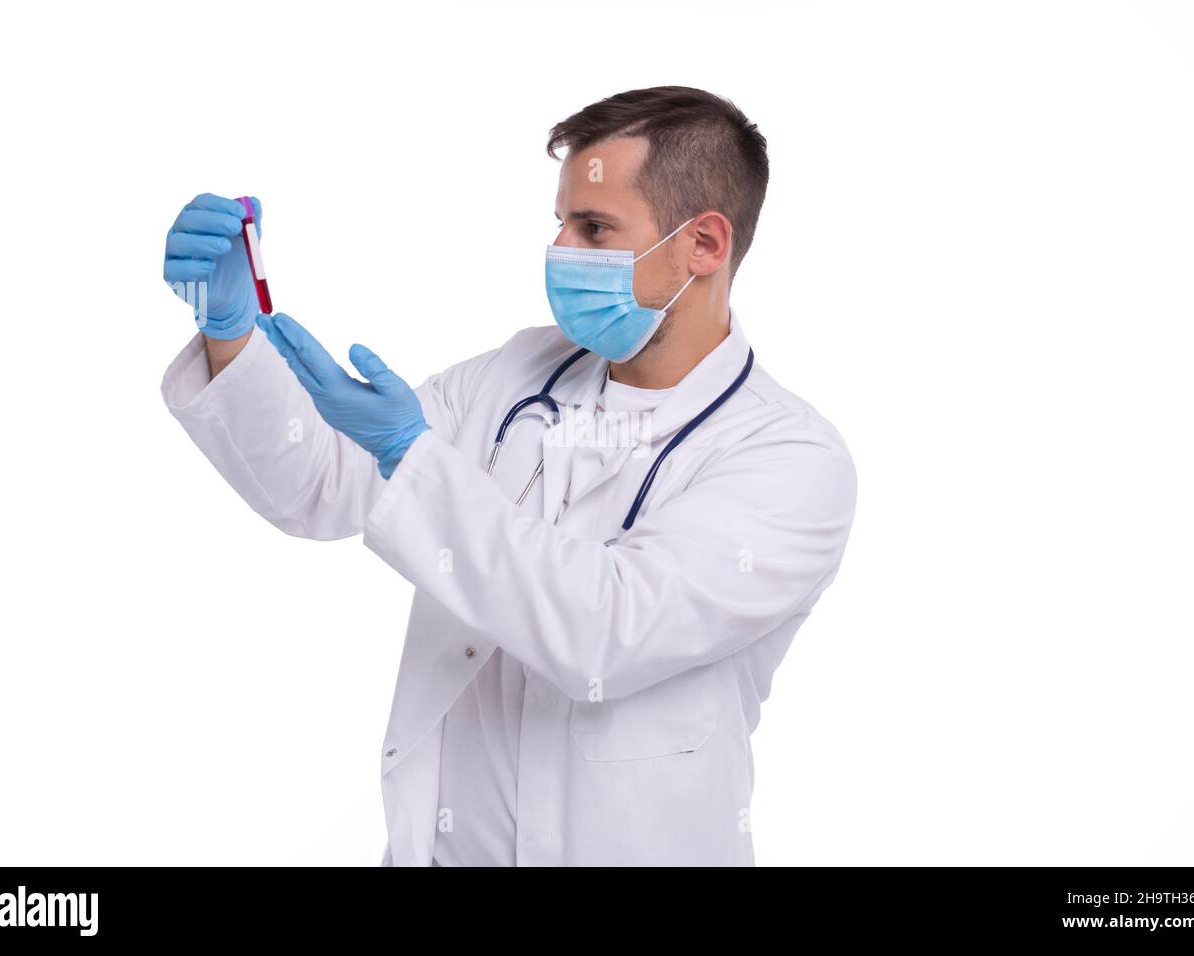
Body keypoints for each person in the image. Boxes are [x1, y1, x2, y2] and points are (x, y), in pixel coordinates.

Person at [160, 86, 857, 866]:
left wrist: (412, 457)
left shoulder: (790, 460)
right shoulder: (516, 375)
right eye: (559, 223)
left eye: (592, 227)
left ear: (703, 246)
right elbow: (318, 487)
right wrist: (231, 337)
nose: (560, 250)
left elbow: (603, 633)